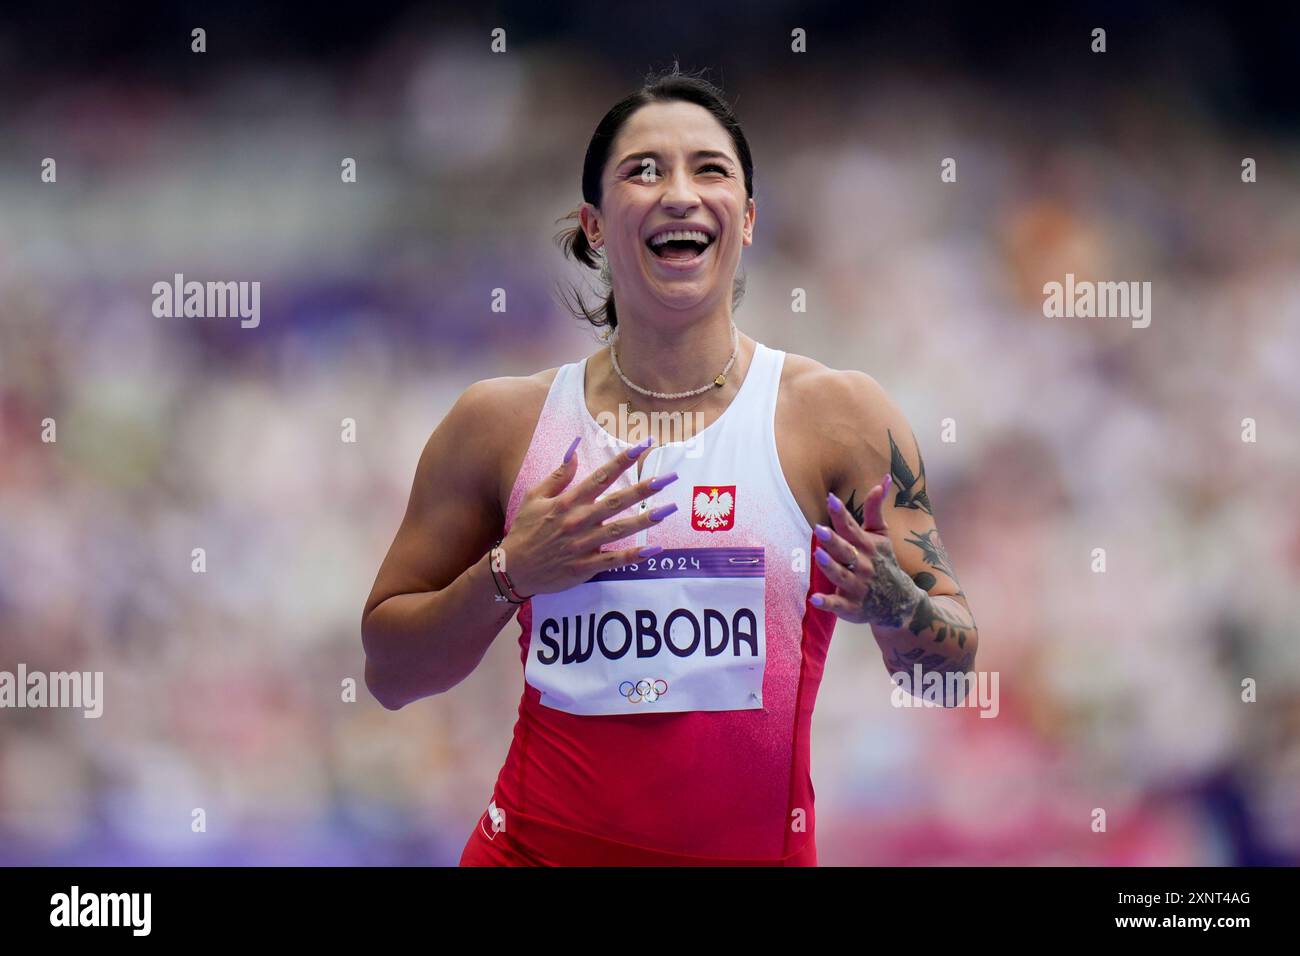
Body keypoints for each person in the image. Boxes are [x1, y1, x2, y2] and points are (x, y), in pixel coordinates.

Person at [360, 66, 979, 866]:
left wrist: (892, 599)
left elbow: (950, 677)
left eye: (709, 169)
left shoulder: (838, 419)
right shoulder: (501, 426)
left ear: (747, 218)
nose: (679, 193)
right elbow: (390, 676)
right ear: (592, 224)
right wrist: (511, 573)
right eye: (643, 170)